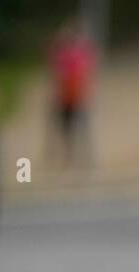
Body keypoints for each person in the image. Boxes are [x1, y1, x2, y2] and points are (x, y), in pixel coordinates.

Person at [48, 18, 97, 168]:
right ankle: (71, 156)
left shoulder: (77, 52)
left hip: (76, 96)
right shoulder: (64, 53)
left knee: (78, 127)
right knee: (69, 128)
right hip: (67, 97)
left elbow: (85, 71)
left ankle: (82, 157)